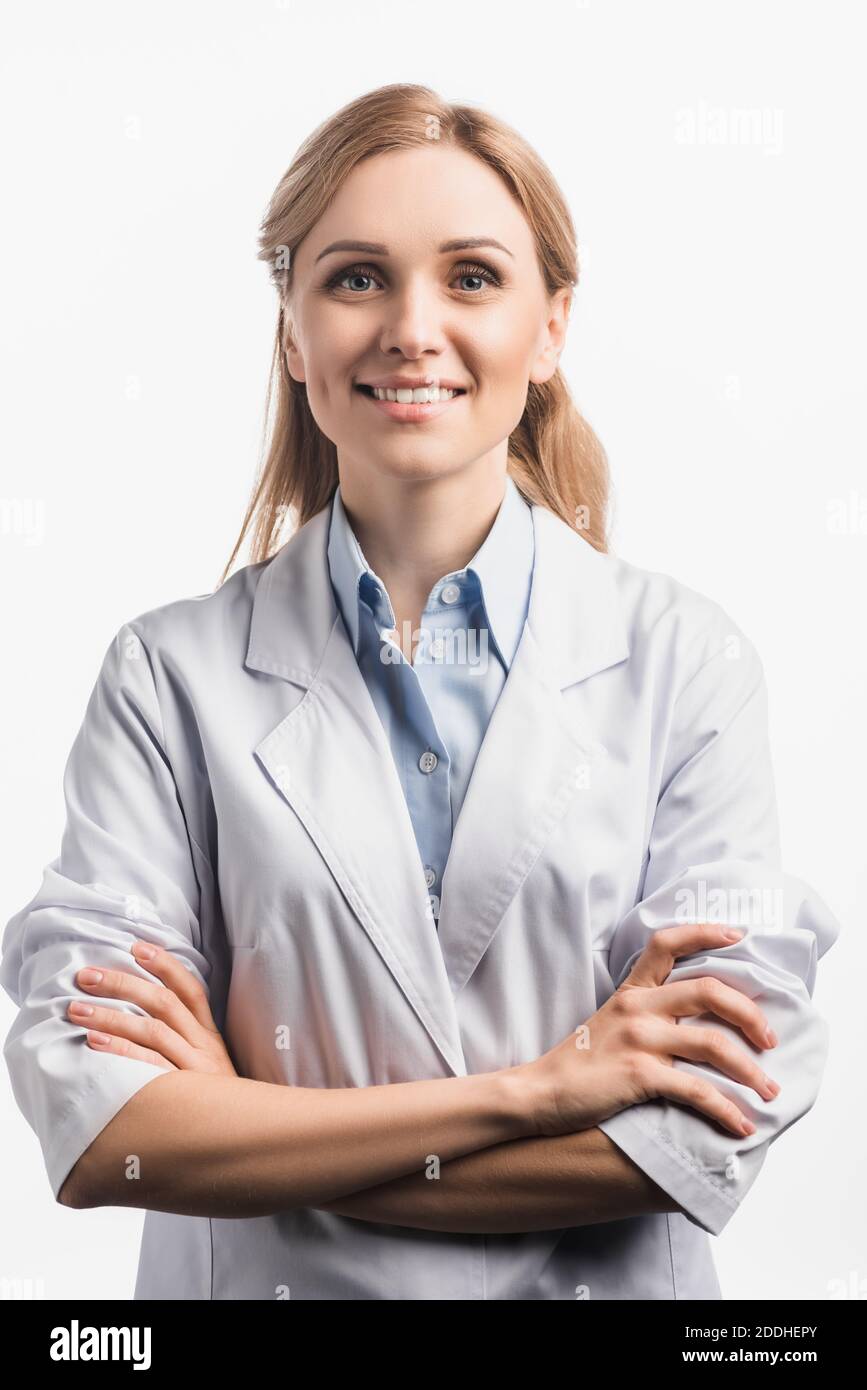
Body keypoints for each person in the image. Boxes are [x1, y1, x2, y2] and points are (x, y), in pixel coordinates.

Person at [1, 83, 840, 1301]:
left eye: (472, 277)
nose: (411, 326)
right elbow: (98, 1130)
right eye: (354, 278)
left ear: (551, 328)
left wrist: (242, 1123)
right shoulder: (165, 680)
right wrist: (538, 1093)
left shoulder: (683, 664)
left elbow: (702, 1130)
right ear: (292, 333)